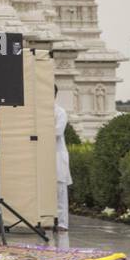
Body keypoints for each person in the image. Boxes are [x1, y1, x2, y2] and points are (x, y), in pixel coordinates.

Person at [54, 85, 72, 233]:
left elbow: (58, 131)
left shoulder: (60, 112)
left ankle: (62, 223)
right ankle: (48, 219)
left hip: (57, 154)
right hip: (43, 155)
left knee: (60, 189)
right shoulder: (39, 113)